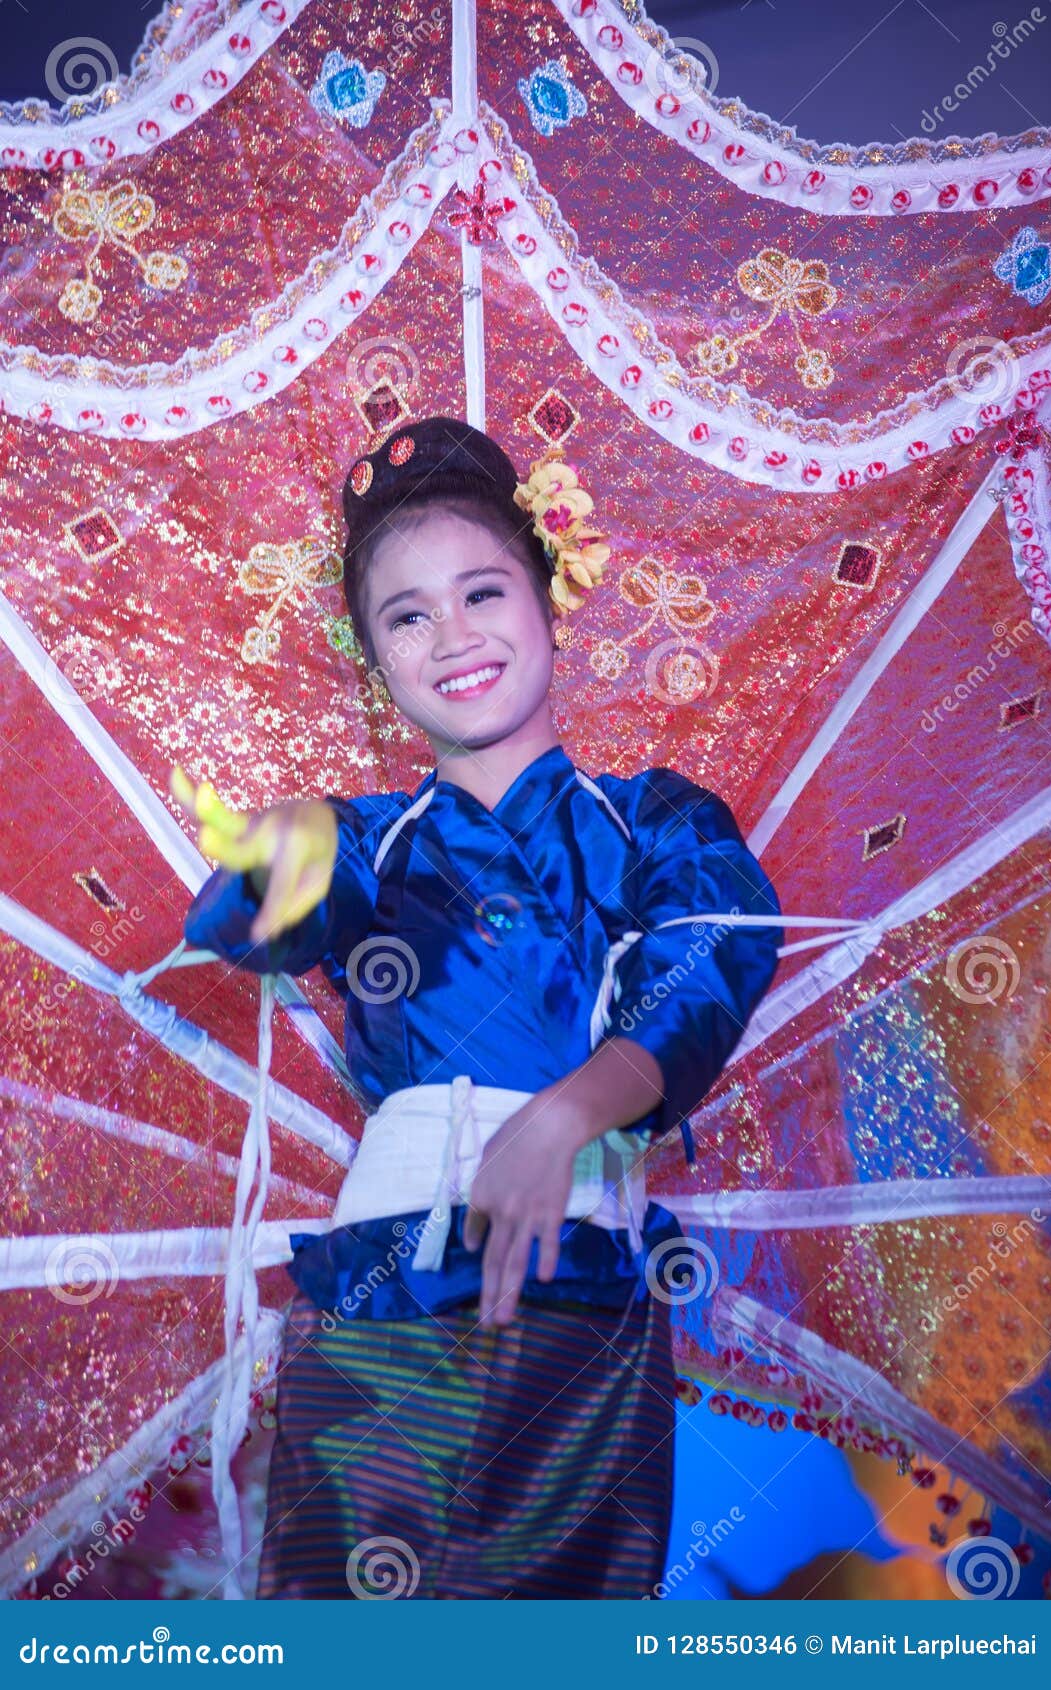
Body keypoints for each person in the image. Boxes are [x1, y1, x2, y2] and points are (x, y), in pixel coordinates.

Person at [173, 415, 784, 1600]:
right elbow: (249, 915)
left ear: (550, 599)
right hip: (386, 1290)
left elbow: (714, 951)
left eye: (481, 593)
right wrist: (277, 845)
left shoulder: (654, 820)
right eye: (408, 616)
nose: (452, 636)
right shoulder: (365, 840)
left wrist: (566, 1115)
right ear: (376, 658)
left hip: (588, 1289)